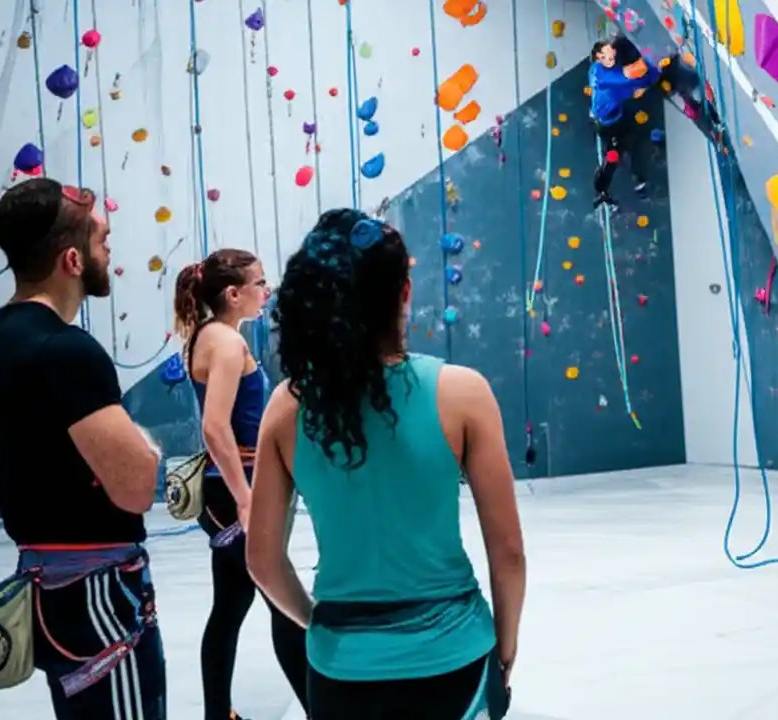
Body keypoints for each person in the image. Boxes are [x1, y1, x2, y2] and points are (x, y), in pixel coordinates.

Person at [245, 209, 526, 719]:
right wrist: (504, 651)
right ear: (404, 294)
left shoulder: (287, 409)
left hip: (340, 672)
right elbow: (507, 551)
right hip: (456, 662)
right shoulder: (463, 394)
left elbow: (262, 561)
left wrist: (323, 626)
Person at [0, 178, 167, 718]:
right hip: (96, 596)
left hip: (49, 589)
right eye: (103, 241)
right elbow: (137, 485)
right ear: (73, 260)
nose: (108, 249)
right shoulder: (65, 351)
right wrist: (142, 448)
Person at [172, 250, 310, 720]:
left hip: (229, 490)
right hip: (239, 491)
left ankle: (218, 714)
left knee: (230, 606)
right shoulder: (227, 345)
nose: (265, 291)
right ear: (233, 294)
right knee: (285, 605)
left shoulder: (207, 338)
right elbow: (215, 428)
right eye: (259, 283)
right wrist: (247, 499)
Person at [589, 37, 662, 210]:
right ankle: (603, 188)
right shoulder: (601, 74)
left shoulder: (603, 72)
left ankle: (631, 179)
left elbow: (638, 84)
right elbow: (636, 72)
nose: (611, 51)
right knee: (616, 155)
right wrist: (657, 58)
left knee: (626, 146)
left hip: (616, 114)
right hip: (610, 124)